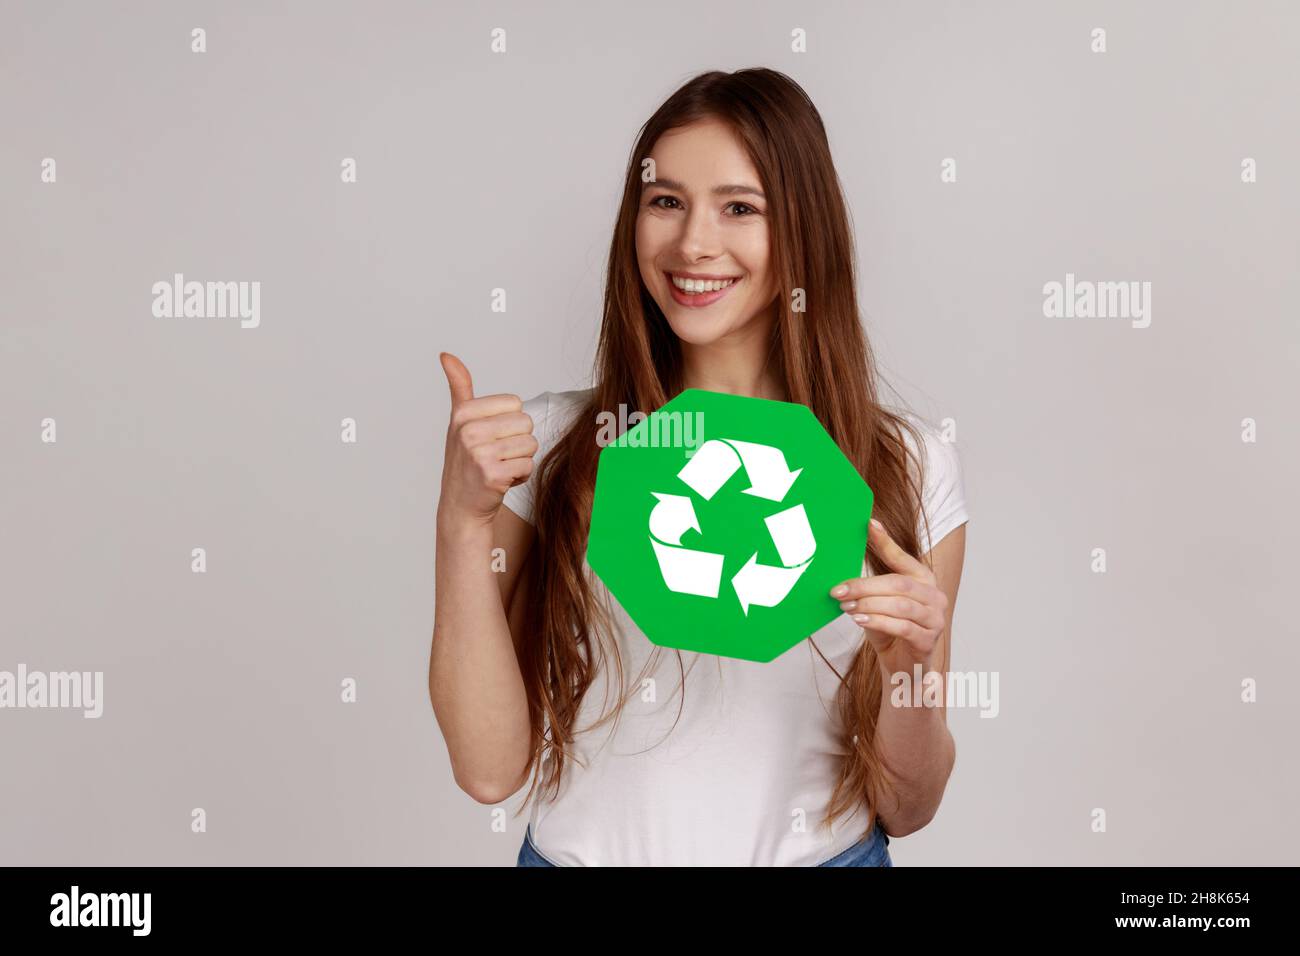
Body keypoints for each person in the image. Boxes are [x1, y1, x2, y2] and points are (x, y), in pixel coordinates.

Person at [430, 68, 969, 867]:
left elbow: (906, 805)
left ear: (803, 232)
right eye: (666, 200)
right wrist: (461, 522)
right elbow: (487, 769)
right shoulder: (554, 446)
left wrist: (910, 671)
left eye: (740, 207)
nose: (694, 244)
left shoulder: (909, 467)